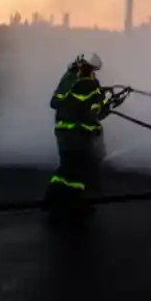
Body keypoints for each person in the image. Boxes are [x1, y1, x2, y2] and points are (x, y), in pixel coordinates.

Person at [44, 53, 112, 209]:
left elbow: (56, 102)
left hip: (65, 132)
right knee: (80, 168)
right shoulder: (89, 85)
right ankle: (74, 201)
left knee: (68, 168)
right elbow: (97, 112)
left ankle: (56, 199)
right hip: (80, 133)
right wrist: (106, 105)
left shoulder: (70, 79)